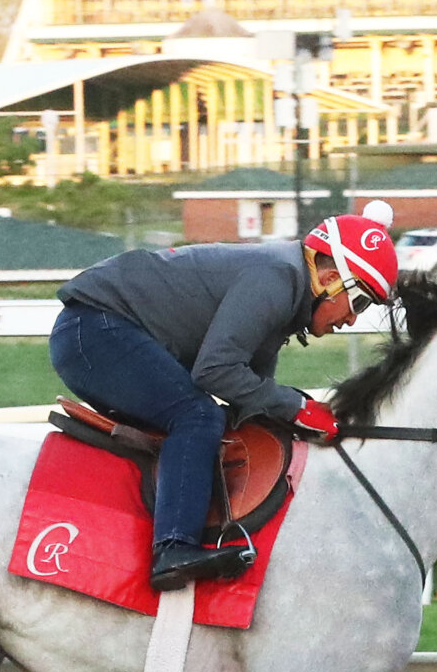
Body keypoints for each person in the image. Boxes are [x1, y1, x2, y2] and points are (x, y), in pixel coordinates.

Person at [49, 203, 400, 592]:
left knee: (208, 419)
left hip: (99, 328)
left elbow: (252, 389)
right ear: (330, 278)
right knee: (197, 417)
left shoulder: (286, 287)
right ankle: (173, 548)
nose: (352, 320)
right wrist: (298, 408)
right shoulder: (276, 280)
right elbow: (215, 372)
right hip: (94, 329)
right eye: (360, 303)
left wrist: (292, 414)